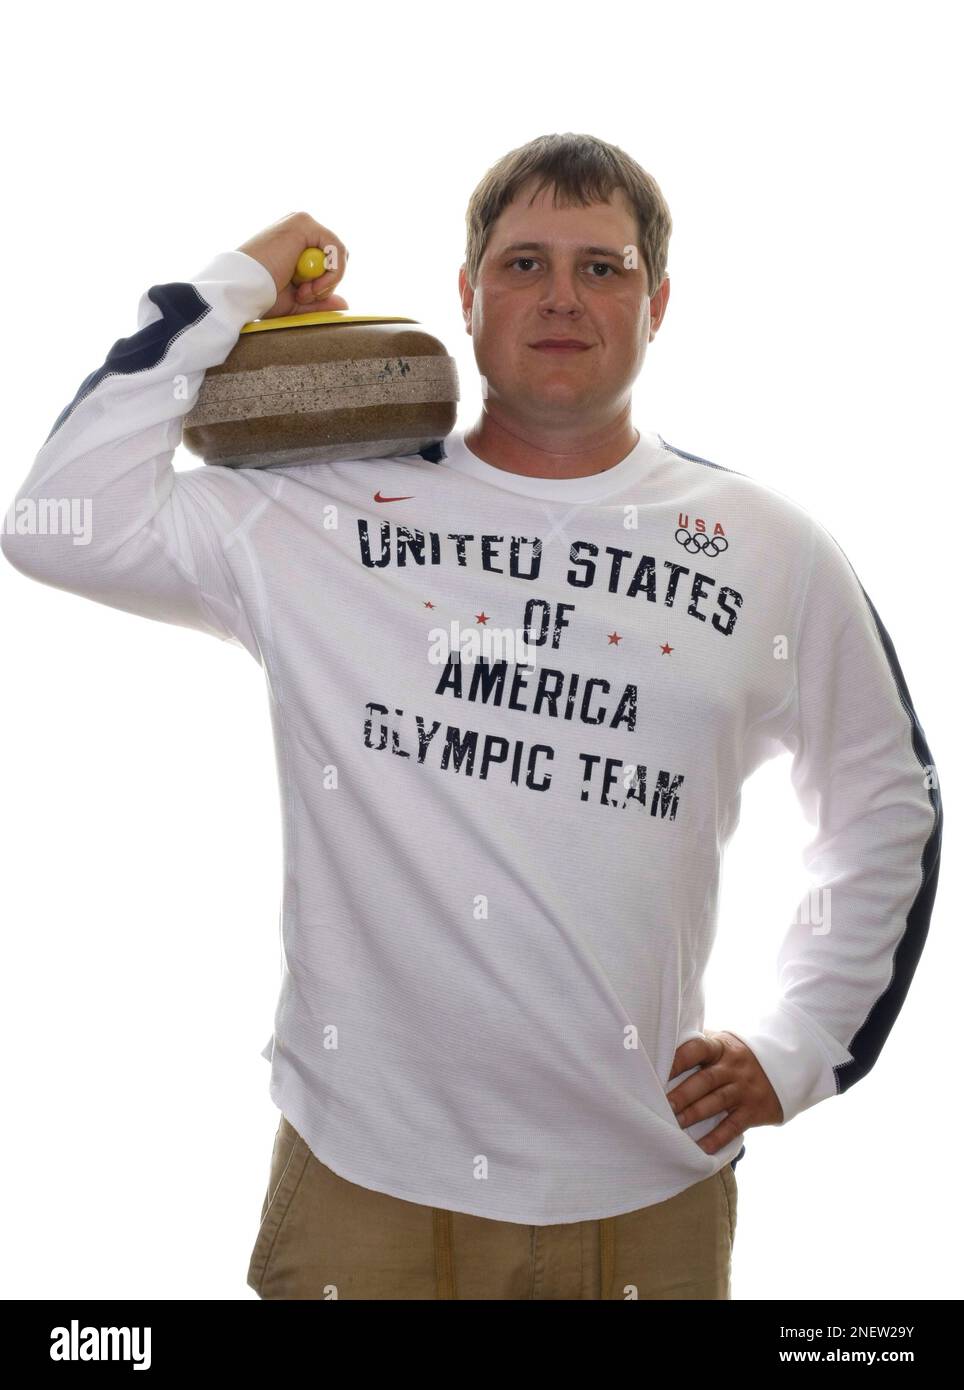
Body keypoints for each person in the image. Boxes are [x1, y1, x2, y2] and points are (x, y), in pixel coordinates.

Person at [1, 132, 942, 1301]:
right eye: (522, 264)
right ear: (464, 296)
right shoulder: (312, 511)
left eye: (601, 268)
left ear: (659, 302)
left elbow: (885, 800)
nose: (560, 296)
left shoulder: (768, 548)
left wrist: (800, 1047)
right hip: (366, 1184)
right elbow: (52, 520)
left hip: (643, 1183)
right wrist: (242, 277)